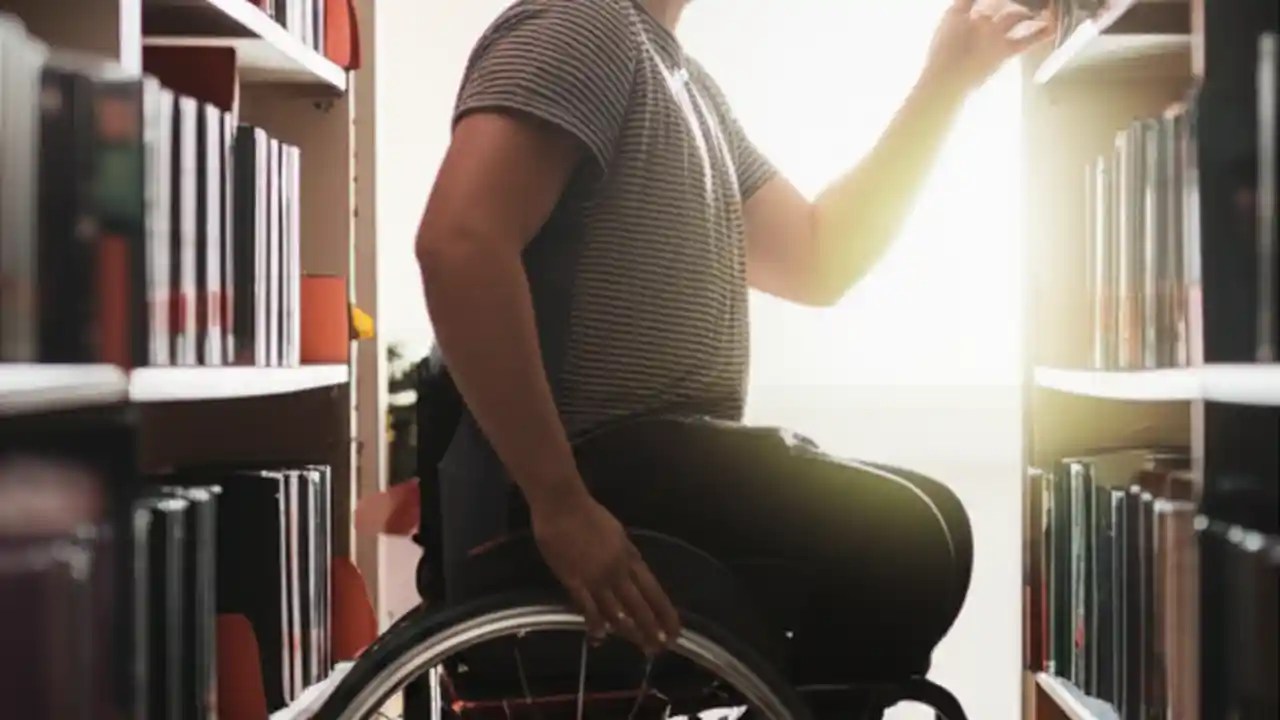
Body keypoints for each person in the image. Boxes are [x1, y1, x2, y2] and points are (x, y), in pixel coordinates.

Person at [413, 0, 1051, 704]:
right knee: (902, 540)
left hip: (660, 462)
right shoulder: (580, 27)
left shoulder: (682, 79)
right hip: (592, 473)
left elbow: (819, 256)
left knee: (931, 527)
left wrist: (947, 80)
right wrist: (559, 500)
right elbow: (460, 243)